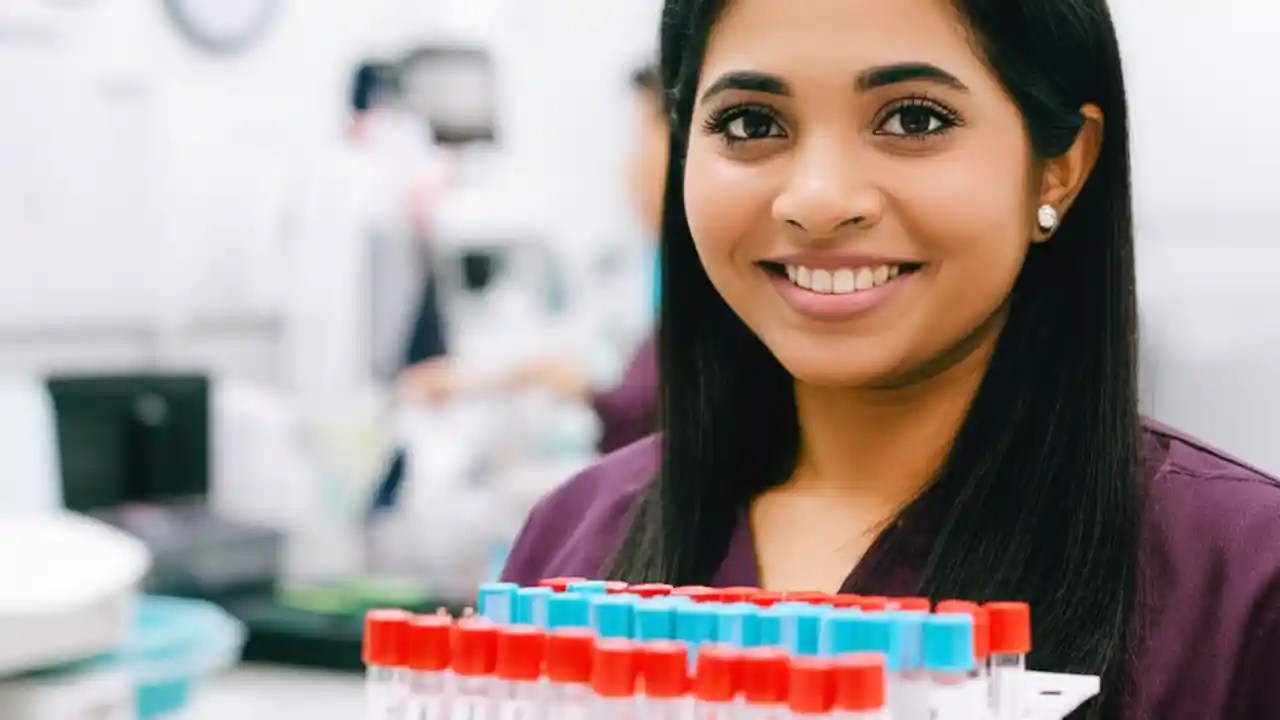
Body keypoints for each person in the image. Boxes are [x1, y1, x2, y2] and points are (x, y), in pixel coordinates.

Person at [499, 1, 1280, 718]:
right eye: (749, 124)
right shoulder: (575, 541)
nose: (817, 198)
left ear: (1061, 166)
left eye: (912, 119)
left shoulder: (1243, 578)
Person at [398, 64, 668, 454]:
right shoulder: (663, 271)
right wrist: (473, 382)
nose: (626, 168)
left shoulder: (707, 288)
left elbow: (634, 408)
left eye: (639, 141)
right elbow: (603, 387)